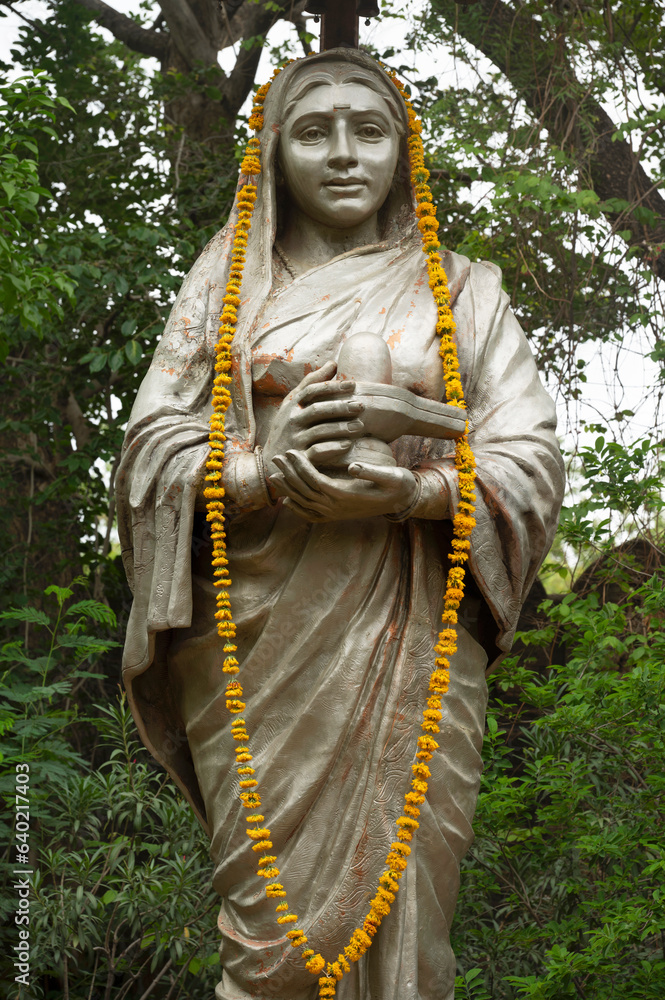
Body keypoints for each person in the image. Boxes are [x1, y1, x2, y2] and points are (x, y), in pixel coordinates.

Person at [116, 48, 564, 1000]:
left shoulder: (463, 292)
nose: (345, 153)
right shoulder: (225, 292)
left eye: (370, 129)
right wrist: (260, 474)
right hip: (254, 647)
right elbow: (149, 452)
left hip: (416, 640)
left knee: (413, 923)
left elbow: (528, 463)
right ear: (273, 153)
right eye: (313, 132)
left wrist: (413, 494)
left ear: (403, 151)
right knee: (268, 938)